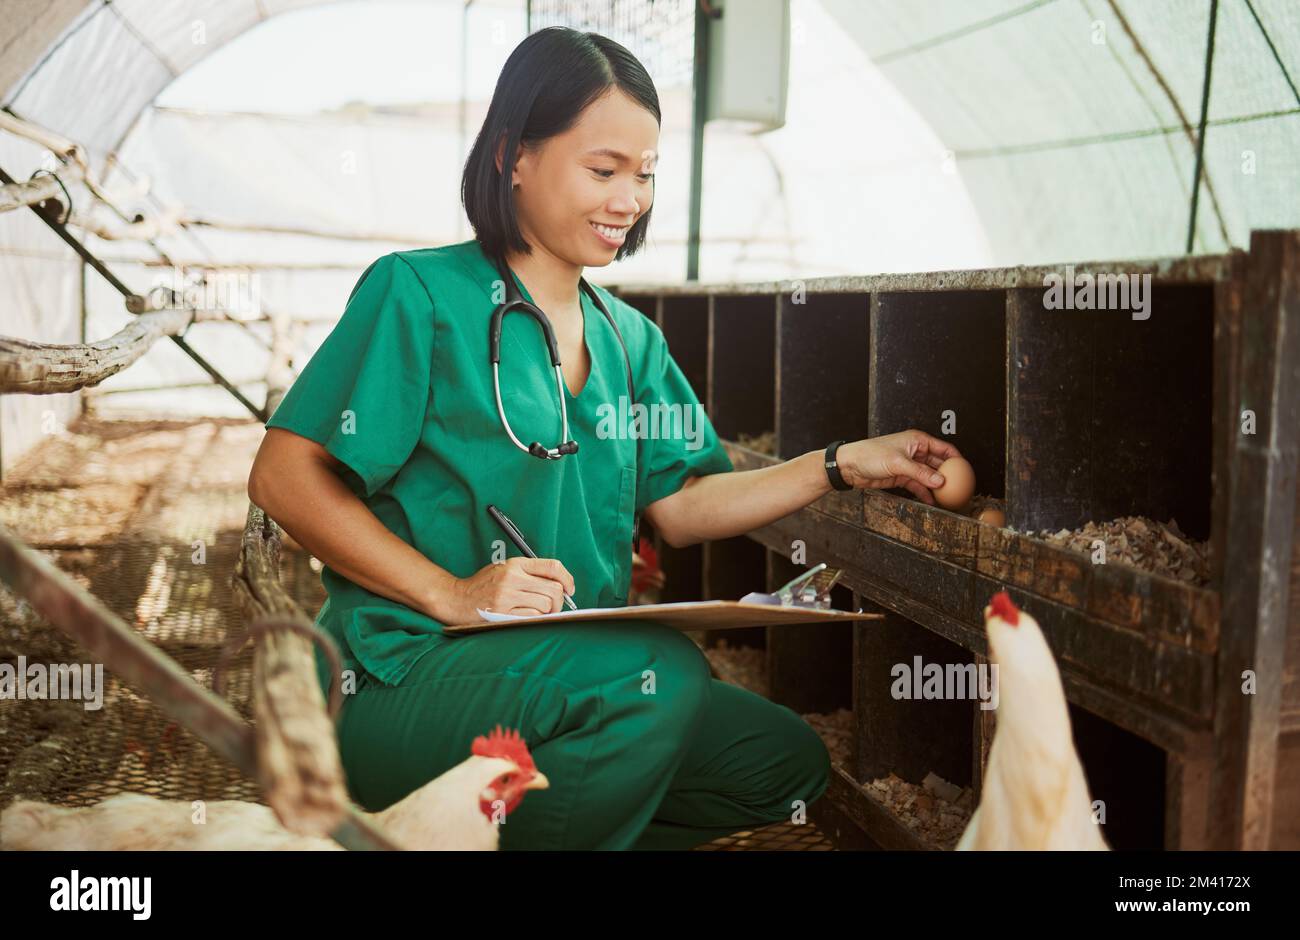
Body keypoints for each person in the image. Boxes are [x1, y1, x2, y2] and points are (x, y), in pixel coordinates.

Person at [247, 26, 961, 850]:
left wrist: (837, 466)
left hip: (564, 677)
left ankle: (464, 836)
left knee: (780, 764)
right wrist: (454, 595)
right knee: (653, 686)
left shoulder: (628, 341)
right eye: (604, 170)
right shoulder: (419, 295)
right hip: (403, 669)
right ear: (514, 155)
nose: (630, 200)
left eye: (646, 175)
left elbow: (684, 503)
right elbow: (283, 476)